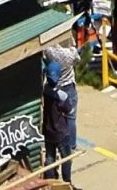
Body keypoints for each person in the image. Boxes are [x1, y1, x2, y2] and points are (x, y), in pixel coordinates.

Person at [41, 43, 79, 184]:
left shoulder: (45, 90)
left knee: (50, 157)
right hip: (61, 132)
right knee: (66, 157)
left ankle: (51, 181)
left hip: (48, 130)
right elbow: (69, 110)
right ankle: (67, 181)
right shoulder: (62, 96)